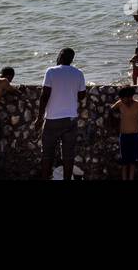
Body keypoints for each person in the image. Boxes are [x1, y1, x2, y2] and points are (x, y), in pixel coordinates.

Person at [37, 47, 87, 180]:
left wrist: (39, 118)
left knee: (47, 155)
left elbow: (44, 95)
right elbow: (82, 95)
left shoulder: (51, 72)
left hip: (52, 119)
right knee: (68, 156)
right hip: (70, 119)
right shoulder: (78, 73)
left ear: (60, 57)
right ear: (72, 59)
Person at [109, 86, 138, 180]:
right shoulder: (120, 104)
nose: (121, 100)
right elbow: (111, 110)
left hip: (135, 136)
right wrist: (115, 125)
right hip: (123, 136)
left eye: (123, 98)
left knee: (133, 162)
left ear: (129, 97)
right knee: (124, 162)